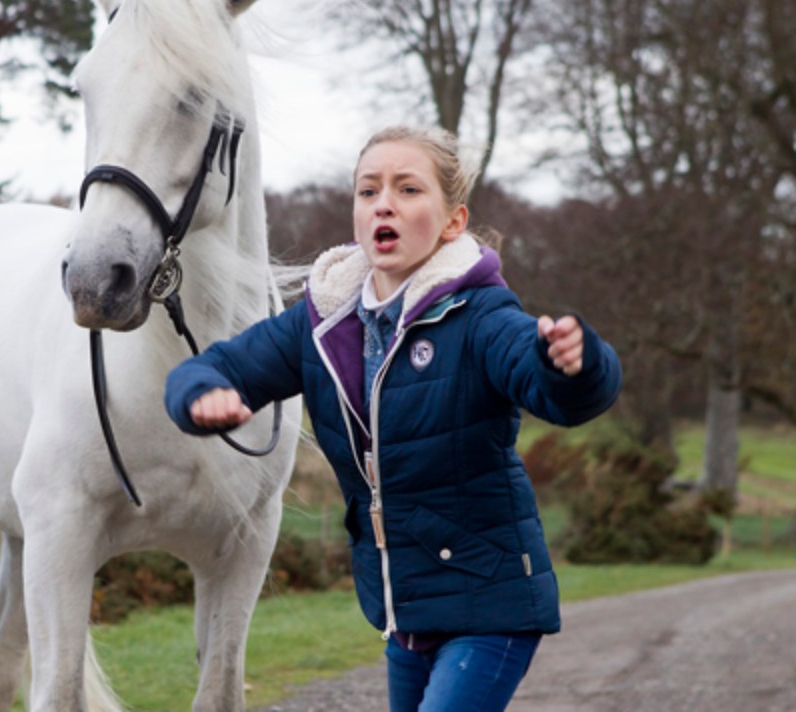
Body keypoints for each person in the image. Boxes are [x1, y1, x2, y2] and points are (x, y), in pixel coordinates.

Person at [164, 125, 622, 711]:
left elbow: (553, 388)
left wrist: (574, 364)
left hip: (492, 604)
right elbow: (216, 367)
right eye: (369, 191)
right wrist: (202, 395)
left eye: (408, 190)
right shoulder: (321, 323)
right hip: (402, 609)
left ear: (452, 221)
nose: (384, 203)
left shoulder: (480, 314)